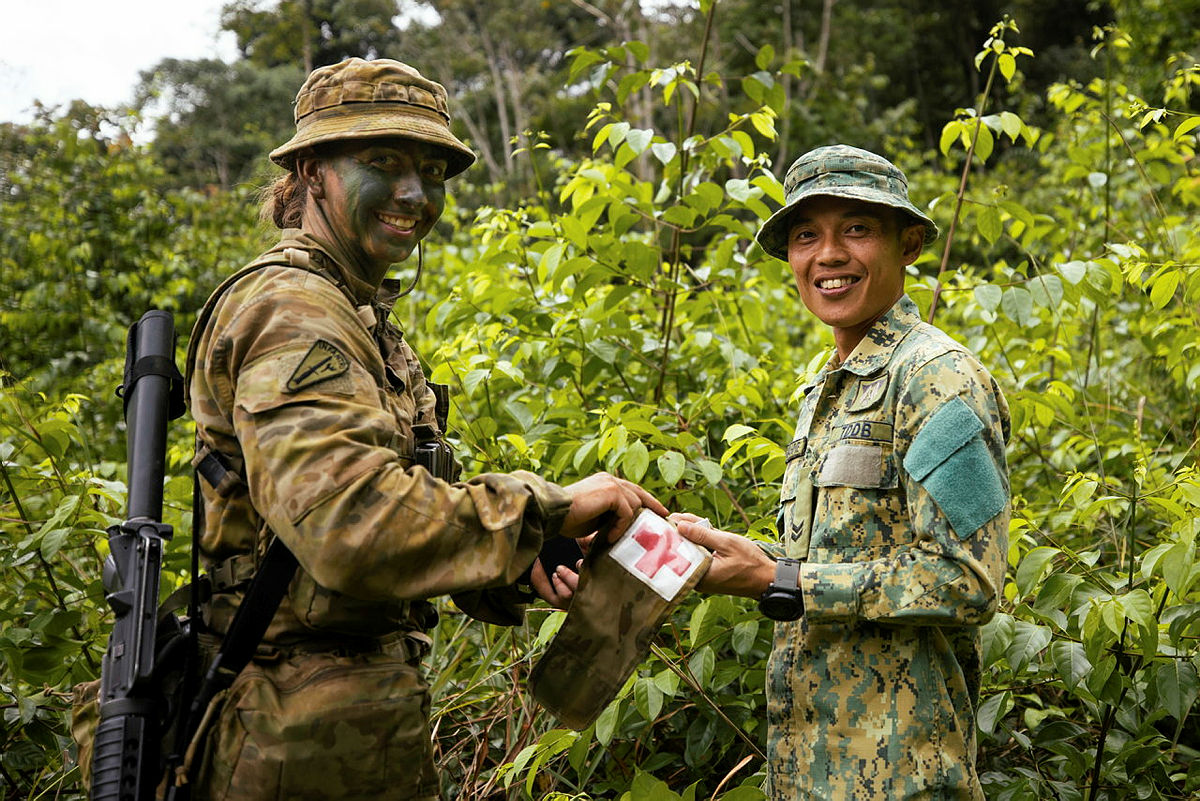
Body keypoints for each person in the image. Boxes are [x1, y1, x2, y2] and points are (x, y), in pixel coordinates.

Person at [183, 57, 664, 801]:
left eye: (432, 171)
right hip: (286, 741)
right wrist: (548, 506)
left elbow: (408, 505)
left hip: (349, 731)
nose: (414, 192)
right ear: (311, 171)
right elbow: (350, 526)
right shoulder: (294, 312)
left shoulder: (360, 315)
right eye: (382, 162)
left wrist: (529, 556)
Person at [674, 145, 1010, 800]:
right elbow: (830, 561)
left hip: (903, 778)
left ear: (907, 244)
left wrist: (781, 580)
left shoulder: (936, 378)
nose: (828, 255)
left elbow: (968, 579)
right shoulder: (830, 387)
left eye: (856, 228)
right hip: (812, 772)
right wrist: (744, 559)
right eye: (806, 235)